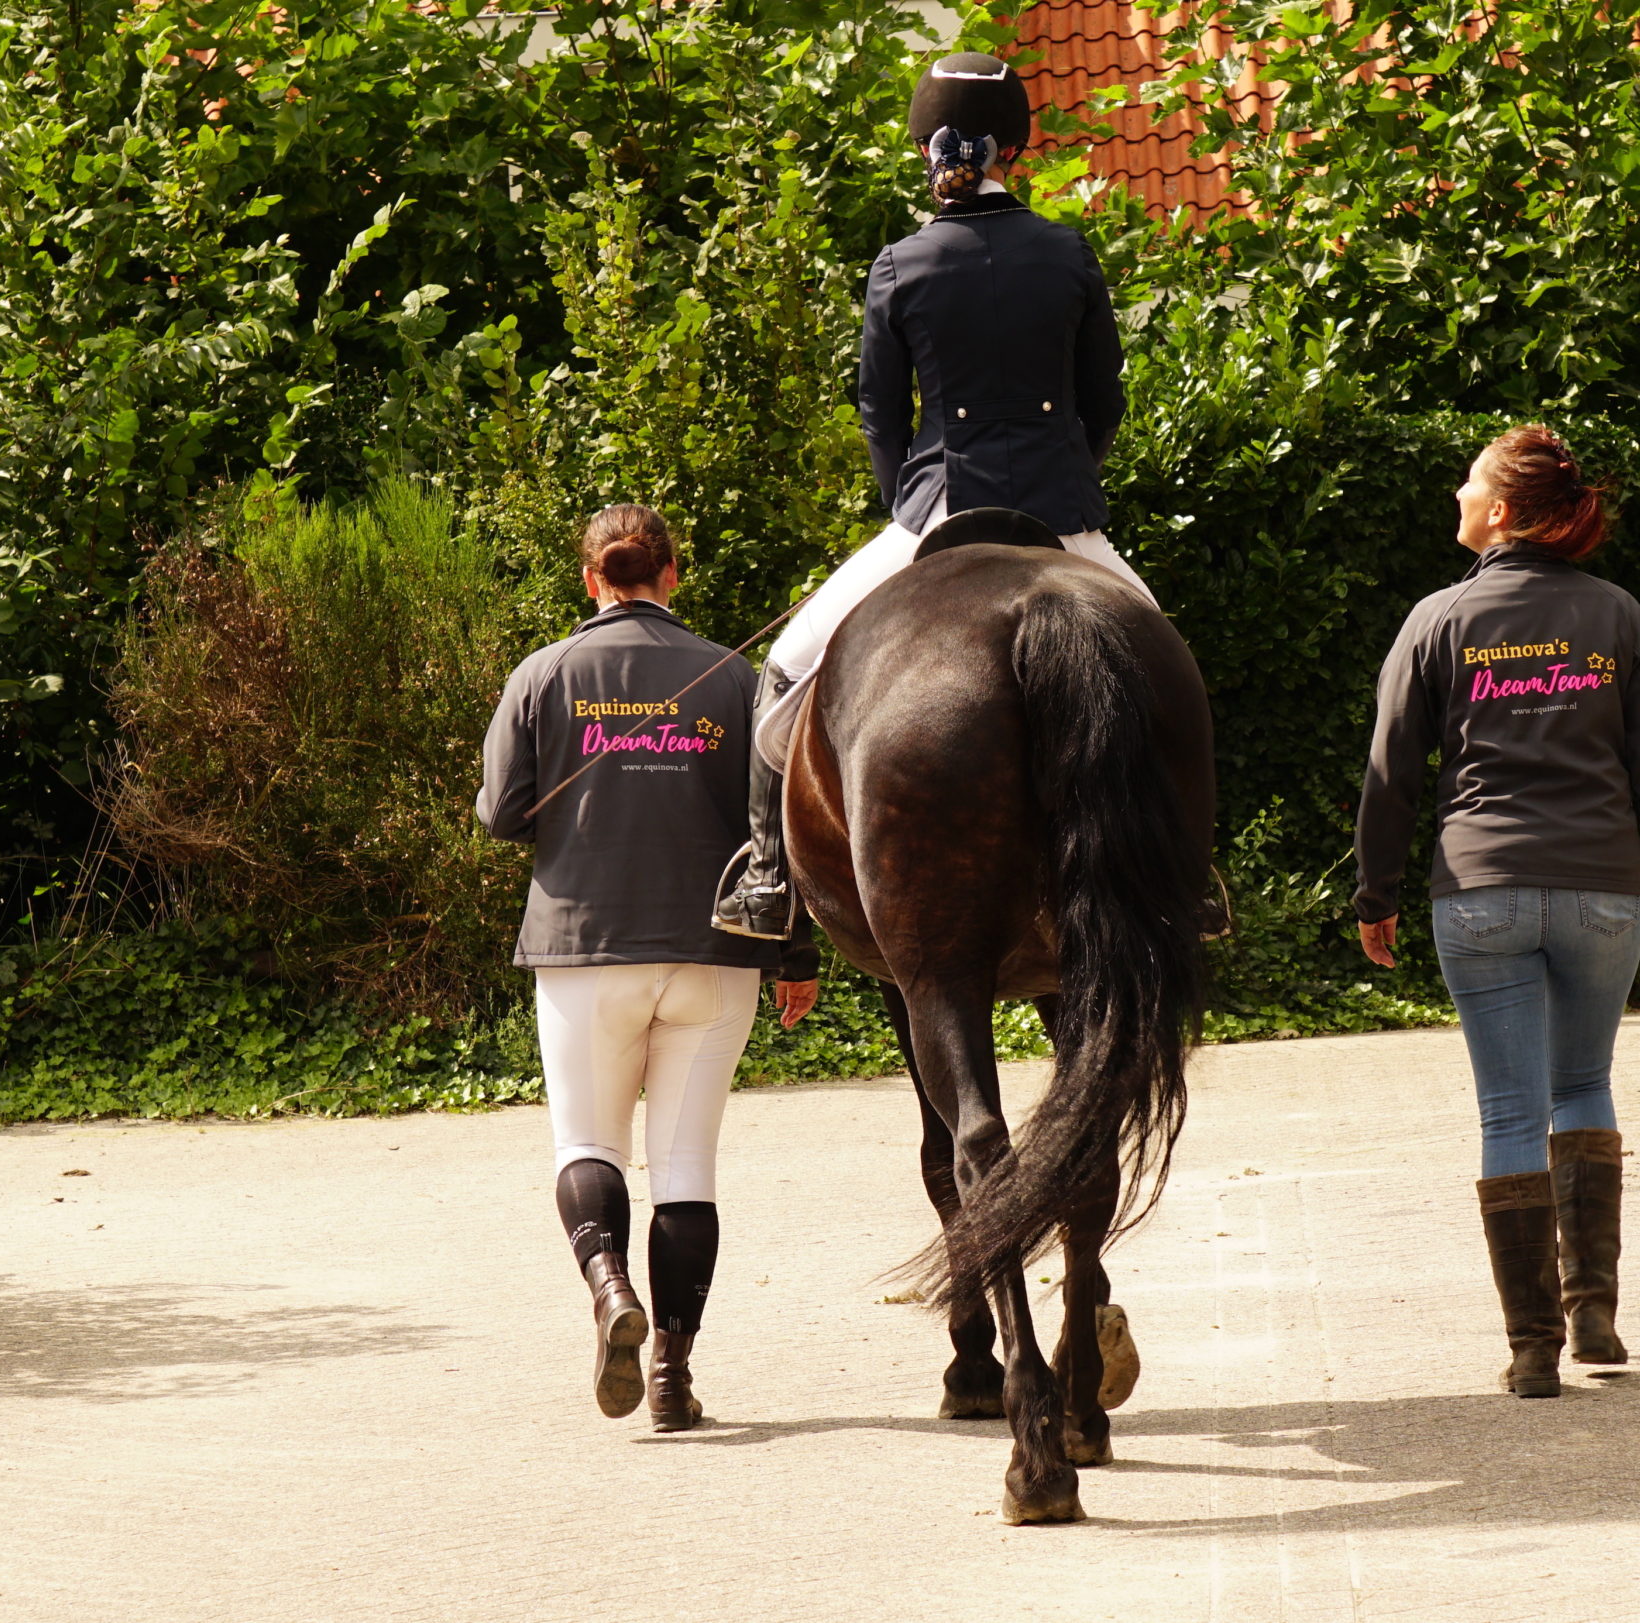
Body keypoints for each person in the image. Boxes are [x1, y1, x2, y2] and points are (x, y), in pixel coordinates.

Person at [711, 50, 1156, 941]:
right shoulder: (1069, 254)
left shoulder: (900, 263)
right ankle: (1185, 876)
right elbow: (1105, 400)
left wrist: (906, 508)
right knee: (1161, 669)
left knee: (786, 670)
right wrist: (1070, 475)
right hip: (1065, 519)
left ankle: (766, 879)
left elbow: (879, 415)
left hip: (937, 515)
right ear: (1013, 151)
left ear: (927, 150)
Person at [1352, 427, 1640, 1399]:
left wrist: (1375, 891)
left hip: (1480, 892)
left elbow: (1390, 771)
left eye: (1469, 483)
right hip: (1603, 887)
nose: (1457, 494)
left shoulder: (1437, 619)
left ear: (1501, 511)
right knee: (1582, 1083)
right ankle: (1593, 1312)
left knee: (1509, 1110)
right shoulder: (1616, 614)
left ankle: (1532, 1347)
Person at [478, 504, 820, 1428]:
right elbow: (781, 830)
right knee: (685, 1165)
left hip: (585, 947)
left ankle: (609, 1289)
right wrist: (794, 952)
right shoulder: (737, 677)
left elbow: (502, 814)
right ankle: (671, 1376)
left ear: (590, 579)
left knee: (587, 1146)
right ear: (673, 573)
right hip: (715, 951)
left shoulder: (542, 672)